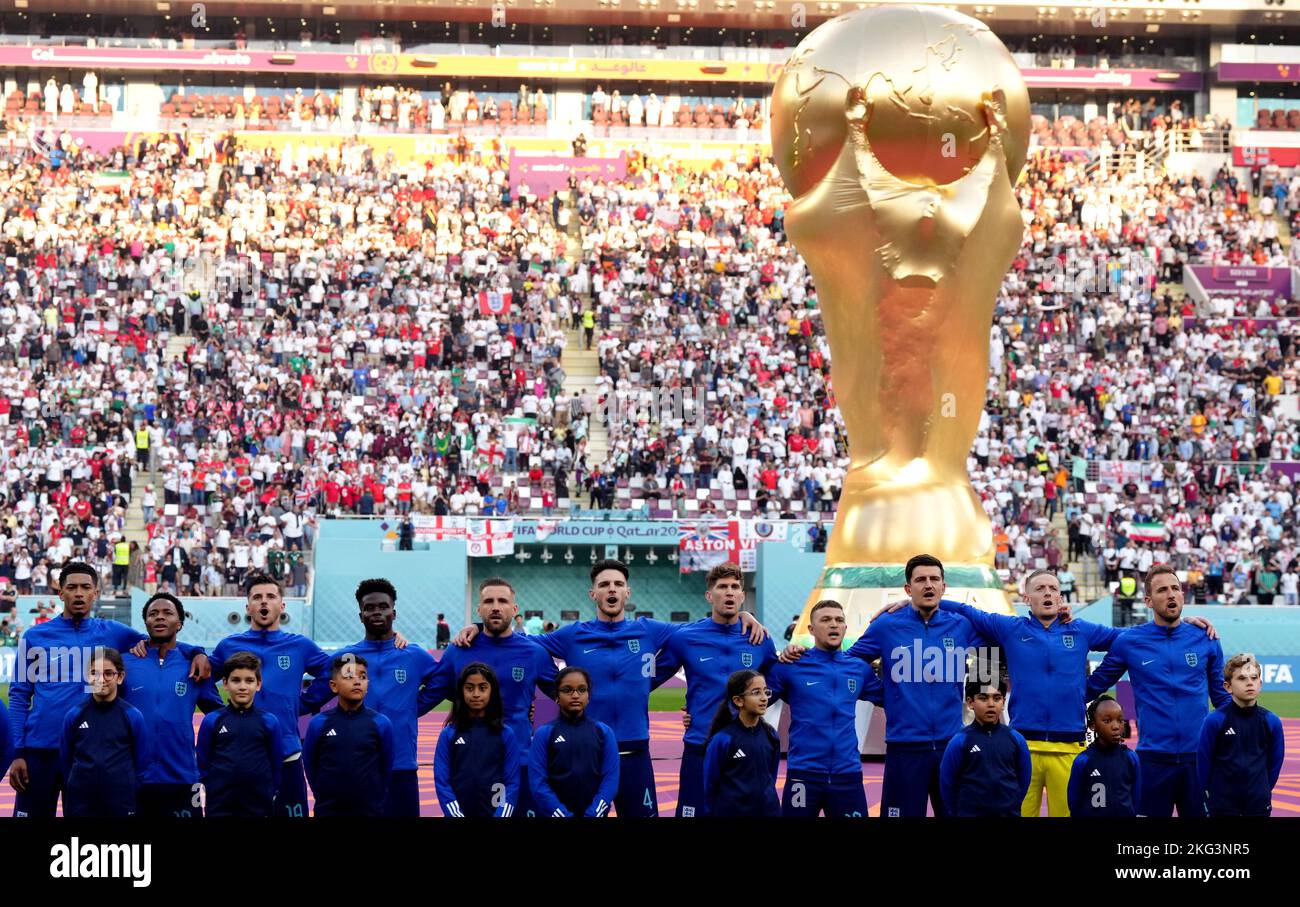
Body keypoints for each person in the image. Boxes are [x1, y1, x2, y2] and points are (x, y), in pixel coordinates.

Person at [870, 569, 1214, 816]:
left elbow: (1133, 638)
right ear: (1027, 597)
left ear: (1060, 597)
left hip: (1069, 746)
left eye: (1054, 588)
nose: (1049, 593)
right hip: (1023, 747)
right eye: (1041, 588)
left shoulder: (1080, 630)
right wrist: (909, 602)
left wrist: (1185, 623)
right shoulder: (1010, 627)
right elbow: (965, 610)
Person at [456, 559, 764, 817]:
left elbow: (707, 626)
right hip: (586, 754)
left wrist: (744, 615)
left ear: (627, 592)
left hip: (635, 754)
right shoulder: (572, 635)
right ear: (593, 594)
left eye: (618, 584)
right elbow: (517, 641)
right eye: (604, 585)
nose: (612, 589)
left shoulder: (651, 630)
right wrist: (480, 626)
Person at [782, 554, 989, 817]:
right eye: (921, 580)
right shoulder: (886, 626)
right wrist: (803, 655)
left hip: (951, 747)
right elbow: (845, 662)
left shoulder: (962, 625)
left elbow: (999, 640)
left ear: (943, 587)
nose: (928, 585)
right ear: (907, 588)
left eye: (934, 579)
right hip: (904, 748)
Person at [8, 562, 208, 818]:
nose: (78, 593)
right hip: (40, 751)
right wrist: (18, 752)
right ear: (61, 593)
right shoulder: (36, 637)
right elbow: (19, 695)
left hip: (90, 752)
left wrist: (197, 652)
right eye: (71, 587)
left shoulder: (113, 632)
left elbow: (160, 638)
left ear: (95, 593)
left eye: (85, 587)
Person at [1086, 564, 1231, 817]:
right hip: (1152, 761)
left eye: (1176, 588)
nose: (1171, 594)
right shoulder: (1130, 641)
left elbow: (1222, 698)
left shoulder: (1206, 638)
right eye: (1162, 590)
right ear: (1148, 601)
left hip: (1200, 760)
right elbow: (1091, 688)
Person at [300, 578, 437, 817]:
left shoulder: (414, 655)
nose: (377, 612)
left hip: (401, 768)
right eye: (369, 608)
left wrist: (414, 707)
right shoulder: (345, 658)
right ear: (360, 615)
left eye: (383, 607)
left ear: (393, 613)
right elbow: (313, 698)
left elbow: (443, 682)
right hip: (353, 772)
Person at [422, 577, 556, 816]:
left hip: (521, 765)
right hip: (469, 764)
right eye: (489, 601)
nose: (496, 606)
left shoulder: (534, 653)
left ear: (514, 609)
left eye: (503, 601)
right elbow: (425, 699)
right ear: (479, 609)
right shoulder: (459, 650)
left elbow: (566, 695)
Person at [653, 563, 777, 817]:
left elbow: (778, 684)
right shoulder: (685, 637)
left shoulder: (759, 639)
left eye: (734, 587)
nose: (729, 593)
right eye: (722, 587)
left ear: (742, 596)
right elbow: (647, 680)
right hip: (700, 746)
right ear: (710, 596)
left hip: (748, 748)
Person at [209, 571, 332, 818]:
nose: (264, 601)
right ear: (248, 607)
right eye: (257, 597)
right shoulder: (228, 646)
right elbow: (201, 679)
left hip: (287, 752)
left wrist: (302, 704)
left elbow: (334, 673)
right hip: (239, 755)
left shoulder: (300, 645)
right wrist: (220, 712)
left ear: (281, 604)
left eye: (270, 596)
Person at [768, 600, 883, 817]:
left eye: (839, 620)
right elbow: (753, 701)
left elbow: (893, 700)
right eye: (826, 620)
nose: (833, 625)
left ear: (845, 628)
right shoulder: (791, 665)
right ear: (811, 629)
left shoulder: (859, 669)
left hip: (847, 774)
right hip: (803, 774)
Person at [121, 592, 224, 818]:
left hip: (183, 776)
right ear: (145, 622)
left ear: (179, 623)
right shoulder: (125, 663)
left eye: (167, 613)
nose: (159, 618)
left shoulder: (195, 665)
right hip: (132, 777)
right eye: (153, 614)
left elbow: (220, 718)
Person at [58, 647, 151, 818]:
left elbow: (142, 763)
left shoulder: (133, 716)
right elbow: (65, 761)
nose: (101, 679)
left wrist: (125, 787)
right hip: (81, 802)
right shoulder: (74, 715)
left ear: (120, 677)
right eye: (95, 673)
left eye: (108, 673)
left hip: (120, 801)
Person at [303, 655, 396, 817]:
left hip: (369, 810)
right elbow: (311, 765)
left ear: (368, 685)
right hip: (328, 809)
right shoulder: (319, 723)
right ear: (333, 686)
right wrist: (323, 795)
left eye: (363, 676)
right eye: (349, 676)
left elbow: (386, 767)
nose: (357, 681)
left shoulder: (381, 723)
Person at [196, 652, 285, 817]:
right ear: (225, 684)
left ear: (258, 684)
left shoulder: (269, 721)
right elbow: (203, 762)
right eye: (236, 680)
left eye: (249, 680)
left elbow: (276, 762)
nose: (242, 686)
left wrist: (269, 791)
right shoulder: (212, 720)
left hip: (259, 804)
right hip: (220, 805)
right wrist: (214, 788)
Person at [1197, 654, 1286, 817]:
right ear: (1228, 686)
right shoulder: (1214, 720)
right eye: (1242, 678)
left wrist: (1262, 789)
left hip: (1258, 804)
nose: (1249, 682)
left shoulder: (1271, 721)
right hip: (1222, 805)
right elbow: (1203, 764)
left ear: (1260, 683)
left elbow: (1275, 765)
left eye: (1254, 677)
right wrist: (1210, 795)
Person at [528, 666, 619, 818]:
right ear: (556, 696)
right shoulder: (544, 734)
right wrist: (561, 814)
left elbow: (611, 779)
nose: (575, 695)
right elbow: (538, 783)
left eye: (582, 690)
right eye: (567, 690)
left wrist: (594, 813)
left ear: (588, 696)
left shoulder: (604, 732)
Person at [434, 662, 522, 818]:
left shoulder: (506, 734)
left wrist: (501, 814)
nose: (475, 694)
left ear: (492, 692)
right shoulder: (449, 734)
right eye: (469, 688)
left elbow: (512, 783)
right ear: (461, 692)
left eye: (482, 688)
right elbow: (442, 782)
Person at [939, 679, 1032, 817]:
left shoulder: (1016, 739)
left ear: (1004, 702)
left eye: (997, 698)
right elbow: (947, 784)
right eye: (983, 698)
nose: (991, 704)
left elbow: (1024, 779)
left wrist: (1012, 804)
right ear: (970, 702)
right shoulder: (960, 741)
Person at [701, 669, 780, 817]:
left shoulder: (771, 735)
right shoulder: (722, 740)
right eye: (756, 693)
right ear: (738, 700)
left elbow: (771, 777)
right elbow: (709, 784)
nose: (764, 698)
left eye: (766, 692)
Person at [1068, 695, 1140, 818]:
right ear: (1093, 725)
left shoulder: (1131, 758)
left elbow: (1137, 796)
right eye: (1107, 721)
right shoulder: (1083, 761)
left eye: (1120, 720)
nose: (1116, 726)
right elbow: (1074, 801)